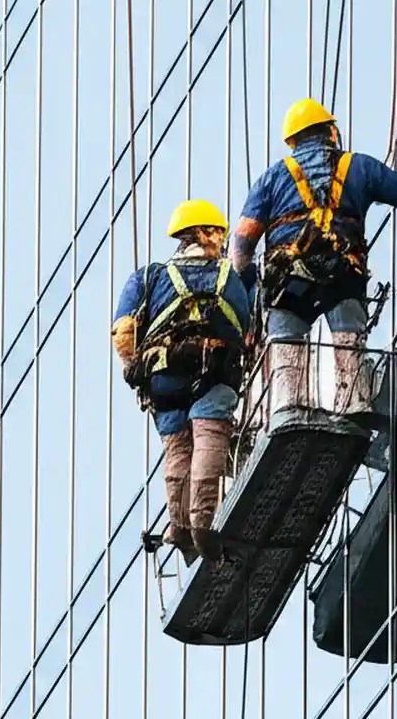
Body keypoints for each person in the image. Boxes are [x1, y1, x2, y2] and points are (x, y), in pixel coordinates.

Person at [230, 98, 397, 418]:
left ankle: (290, 409)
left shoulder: (272, 177)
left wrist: (247, 282)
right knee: (348, 338)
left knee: (287, 344)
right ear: (330, 132)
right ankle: (354, 403)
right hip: (343, 273)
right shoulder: (359, 166)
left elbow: (242, 243)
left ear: (293, 140)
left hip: (289, 280)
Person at [112, 199, 253, 564]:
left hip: (164, 379)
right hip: (214, 372)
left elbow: (123, 329)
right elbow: (245, 325)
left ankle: (182, 528)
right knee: (208, 438)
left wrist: (133, 367)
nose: (221, 243)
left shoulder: (148, 277)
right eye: (218, 235)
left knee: (178, 452)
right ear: (205, 234)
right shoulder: (227, 277)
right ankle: (202, 525)